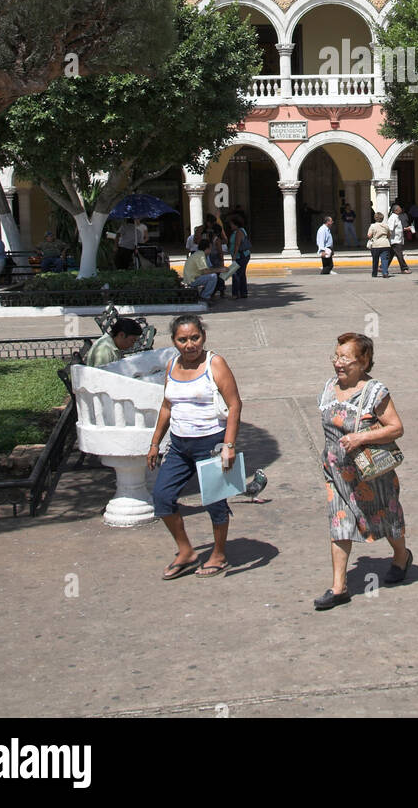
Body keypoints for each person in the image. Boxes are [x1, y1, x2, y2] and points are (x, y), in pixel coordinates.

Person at [314, 331, 410, 609]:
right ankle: (339, 587)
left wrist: (360, 437)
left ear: (364, 361)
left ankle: (401, 557)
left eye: (346, 358)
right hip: (336, 472)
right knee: (339, 523)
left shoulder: (375, 392)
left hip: (370, 473)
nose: (338, 363)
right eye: (336, 356)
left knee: (386, 518)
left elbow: (396, 428)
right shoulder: (329, 387)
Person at [148, 315, 242, 579]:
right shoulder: (171, 366)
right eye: (183, 339)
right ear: (174, 342)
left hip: (211, 444)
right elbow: (167, 407)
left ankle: (219, 554)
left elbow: (234, 404)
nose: (190, 345)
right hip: (178, 446)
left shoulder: (215, 364)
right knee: (163, 497)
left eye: (194, 338)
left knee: (215, 502)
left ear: (203, 336)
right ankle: (186, 551)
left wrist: (229, 445)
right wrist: (155, 442)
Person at [182, 232, 219, 301]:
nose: (211, 251)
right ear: (207, 248)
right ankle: (205, 296)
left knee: (213, 276)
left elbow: (208, 269)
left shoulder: (201, 255)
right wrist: (220, 270)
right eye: (210, 249)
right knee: (213, 276)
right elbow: (205, 271)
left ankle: (204, 294)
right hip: (191, 280)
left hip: (194, 277)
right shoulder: (200, 256)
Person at [227, 215, 251, 300]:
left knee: (236, 274)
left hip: (240, 256)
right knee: (242, 274)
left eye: (232, 224)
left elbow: (237, 245)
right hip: (243, 255)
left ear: (235, 224)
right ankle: (243, 292)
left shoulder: (239, 232)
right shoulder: (238, 231)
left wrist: (234, 256)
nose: (230, 226)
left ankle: (235, 294)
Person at [387, 203, 411, 274]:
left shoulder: (397, 217)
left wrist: (406, 229)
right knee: (399, 254)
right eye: (400, 208)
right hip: (395, 240)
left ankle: (382, 267)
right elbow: (390, 229)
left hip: (397, 239)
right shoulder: (393, 218)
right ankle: (404, 268)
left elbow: (398, 228)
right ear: (396, 210)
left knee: (391, 255)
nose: (401, 209)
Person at [366, 212, 391, 278]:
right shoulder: (386, 226)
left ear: (375, 218)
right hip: (385, 244)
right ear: (382, 219)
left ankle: (374, 273)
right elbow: (389, 235)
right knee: (385, 260)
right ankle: (385, 272)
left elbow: (369, 235)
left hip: (376, 245)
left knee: (375, 260)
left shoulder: (373, 226)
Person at [207, 221, 229, 298]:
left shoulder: (209, 238)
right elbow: (220, 251)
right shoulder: (217, 240)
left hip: (211, 258)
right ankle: (221, 290)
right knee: (221, 274)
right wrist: (222, 259)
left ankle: (213, 290)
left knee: (214, 274)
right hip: (217, 258)